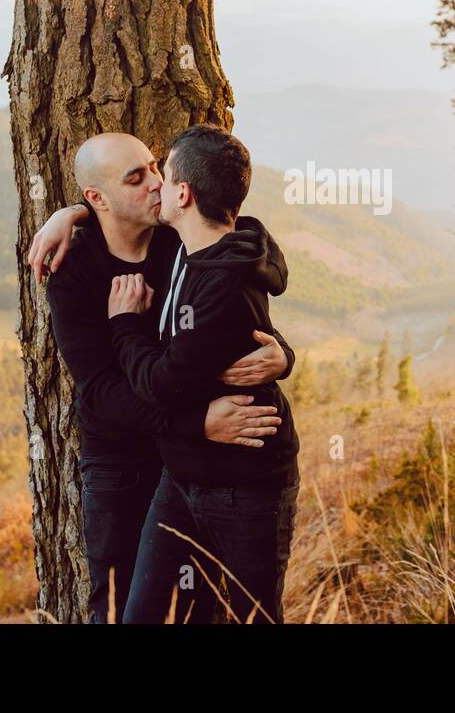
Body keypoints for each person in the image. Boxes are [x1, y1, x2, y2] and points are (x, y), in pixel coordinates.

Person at [27, 132, 293, 623]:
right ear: (97, 199)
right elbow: (103, 392)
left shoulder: (179, 238)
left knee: (197, 606)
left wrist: (282, 357)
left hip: (194, 467)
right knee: (119, 603)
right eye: (136, 177)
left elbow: (245, 287)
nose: (154, 184)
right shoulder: (75, 271)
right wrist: (197, 423)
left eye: (155, 169)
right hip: (121, 462)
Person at [107, 125, 301, 624]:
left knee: (251, 617)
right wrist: (66, 218)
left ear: (185, 194)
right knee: (140, 615)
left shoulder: (220, 284)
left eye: (165, 177)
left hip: (248, 485)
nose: (157, 186)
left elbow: (160, 384)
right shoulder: (197, 247)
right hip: (182, 477)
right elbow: (260, 331)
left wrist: (125, 323)